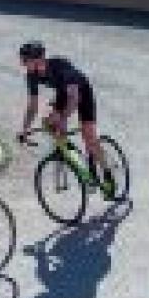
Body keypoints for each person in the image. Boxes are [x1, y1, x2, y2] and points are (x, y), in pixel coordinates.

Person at [17, 41, 115, 199]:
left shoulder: (60, 66)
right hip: (64, 94)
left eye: (24, 61)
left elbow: (75, 98)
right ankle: (73, 159)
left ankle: (108, 175)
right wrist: (25, 129)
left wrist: (63, 117)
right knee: (48, 122)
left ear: (37, 60)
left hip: (82, 93)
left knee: (89, 137)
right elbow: (32, 105)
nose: (22, 64)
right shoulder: (31, 76)